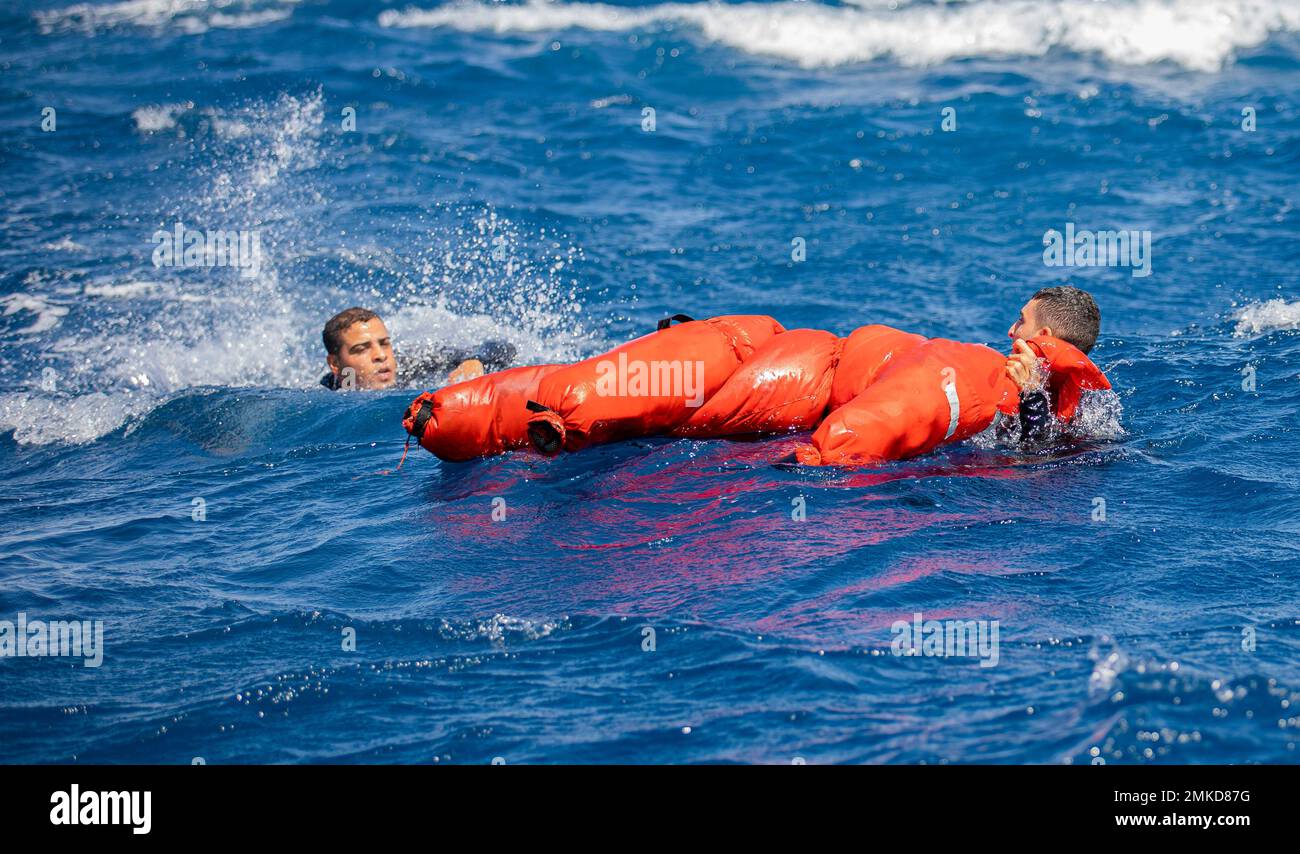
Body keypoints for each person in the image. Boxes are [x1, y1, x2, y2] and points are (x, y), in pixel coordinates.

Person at [320, 307, 516, 391]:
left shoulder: (415, 364)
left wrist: (474, 360)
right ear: (335, 364)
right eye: (362, 349)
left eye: (385, 343)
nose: (380, 356)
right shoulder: (327, 393)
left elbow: (502, 347)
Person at [1001, 285, 1102, 445]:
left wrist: (1031, 393)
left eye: (1021, 320)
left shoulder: (1031, 396)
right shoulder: (1092, 407)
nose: (1011, 330)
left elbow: (1035, 458)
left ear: (1043, 337)